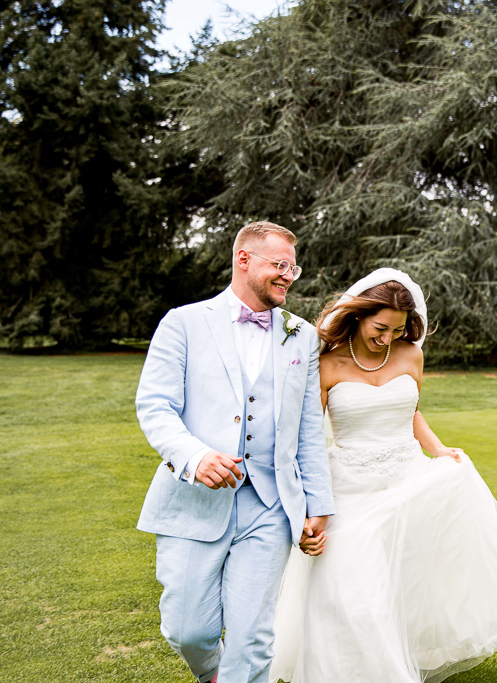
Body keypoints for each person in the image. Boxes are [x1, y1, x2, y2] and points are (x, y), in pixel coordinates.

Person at [269, 268, 497, 683]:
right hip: (350, 485)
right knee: (347, 579)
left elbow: (409, 411)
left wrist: (438, 449)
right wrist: (307, 502)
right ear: (358, 316)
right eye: (380, 327)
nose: (387, 338)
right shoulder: (327, 364)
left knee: (409, 577)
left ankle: (401, 656)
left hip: (408, 476)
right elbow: (309, 437)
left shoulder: (411, 355)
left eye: (399, 329)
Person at [135, 221, 335, 683]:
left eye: (293, 267)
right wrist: (194, 457)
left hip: (270, 506)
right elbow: (155, 405)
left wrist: (317, 505)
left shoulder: (301, 335)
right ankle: (214, 675)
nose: (288, 275)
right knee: (189, 630)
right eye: (279, 265)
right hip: (193, 501)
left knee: (252, 638)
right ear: (244, 260)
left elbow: (308, 429)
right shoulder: (183, 322)